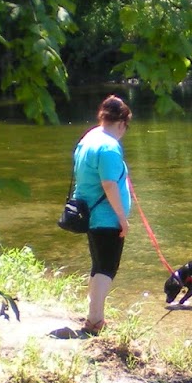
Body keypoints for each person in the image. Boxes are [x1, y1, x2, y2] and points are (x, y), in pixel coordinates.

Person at [72, 94, 133, 334]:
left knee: (98, 266)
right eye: (126, 127)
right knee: (107, 268)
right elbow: (109, 184)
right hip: (106, 216)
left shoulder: (89, 138)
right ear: (122, 123)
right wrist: (122, 219)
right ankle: (95, 321)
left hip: (89, 213)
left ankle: (94, 315)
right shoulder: (108, 146)